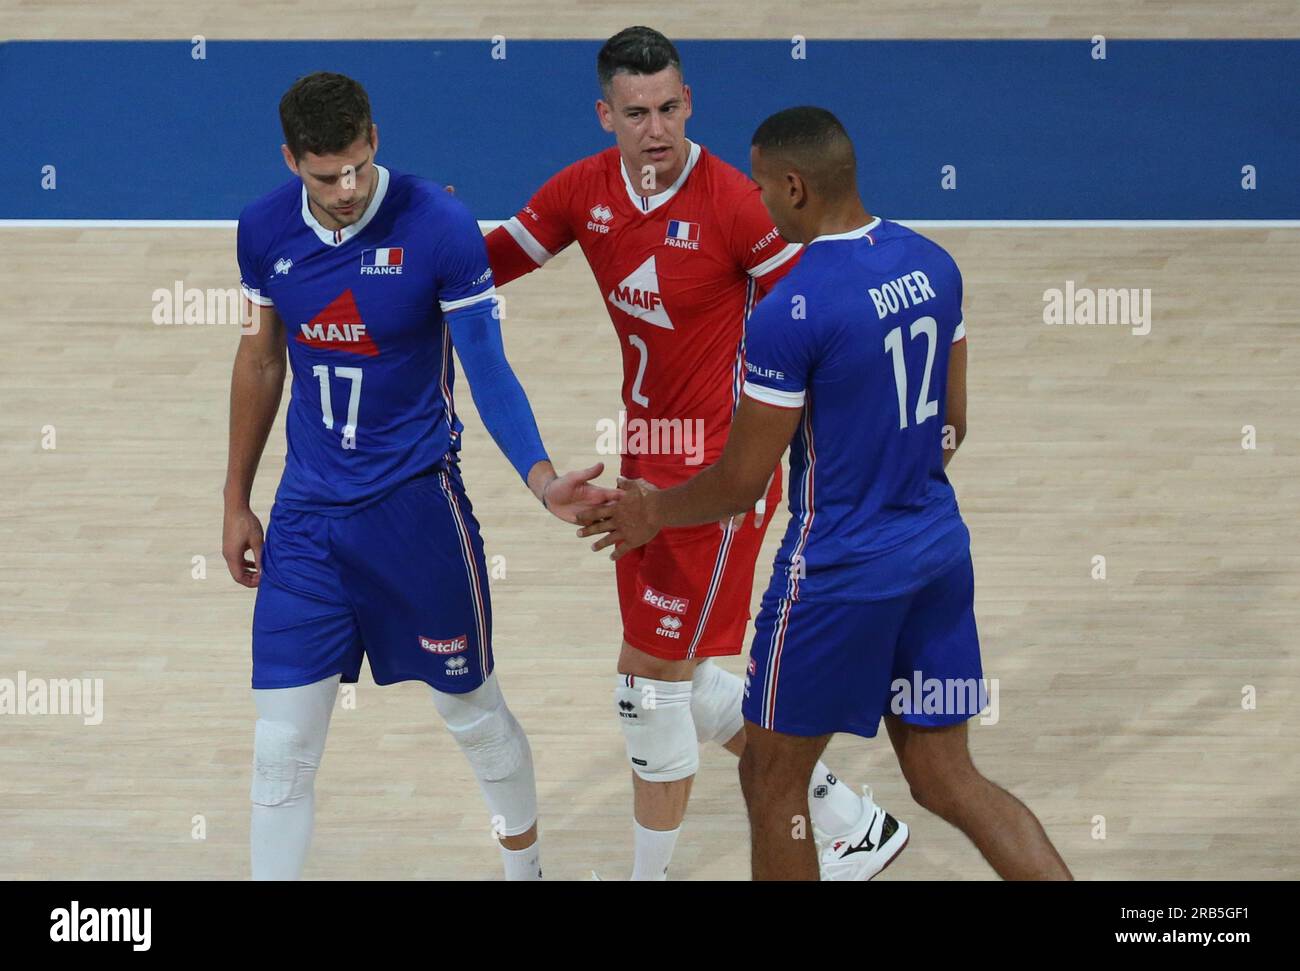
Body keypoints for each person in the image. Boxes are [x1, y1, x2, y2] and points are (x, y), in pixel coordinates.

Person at [582, 106, 1072, 881]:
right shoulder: (933, 263)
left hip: (836, 575)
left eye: (761, 185)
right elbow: (955, 422)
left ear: (795, 186)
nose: (756, 201)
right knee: (948, 778)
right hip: (938, 554)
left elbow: (742, 480)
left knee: (771, 776)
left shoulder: (788, 312)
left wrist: (651, 511)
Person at [485, 28, 906, 880]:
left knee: (649, 687)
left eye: (670, 107)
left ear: (690, 105)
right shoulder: (582, 191)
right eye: (636, 112)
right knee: (690, 679)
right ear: (606, 115)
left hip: (721, 479)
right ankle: (850, 820)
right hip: (641, 469)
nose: (656, 127)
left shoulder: (735, 203)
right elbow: (483, 265)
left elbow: (819, 313)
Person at [223, 71, 614, 880]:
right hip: (305, 521)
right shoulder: (262, 229)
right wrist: (236, 499)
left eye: (357, 166)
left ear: (373, 139)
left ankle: (526, 866)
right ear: (291, 159)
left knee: (472, 714)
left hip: (416, 513)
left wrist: (542, 481)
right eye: (324, 174)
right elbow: (262, 357)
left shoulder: (438, 225)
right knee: (280, 751)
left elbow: (487, 368)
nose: (345, 188)